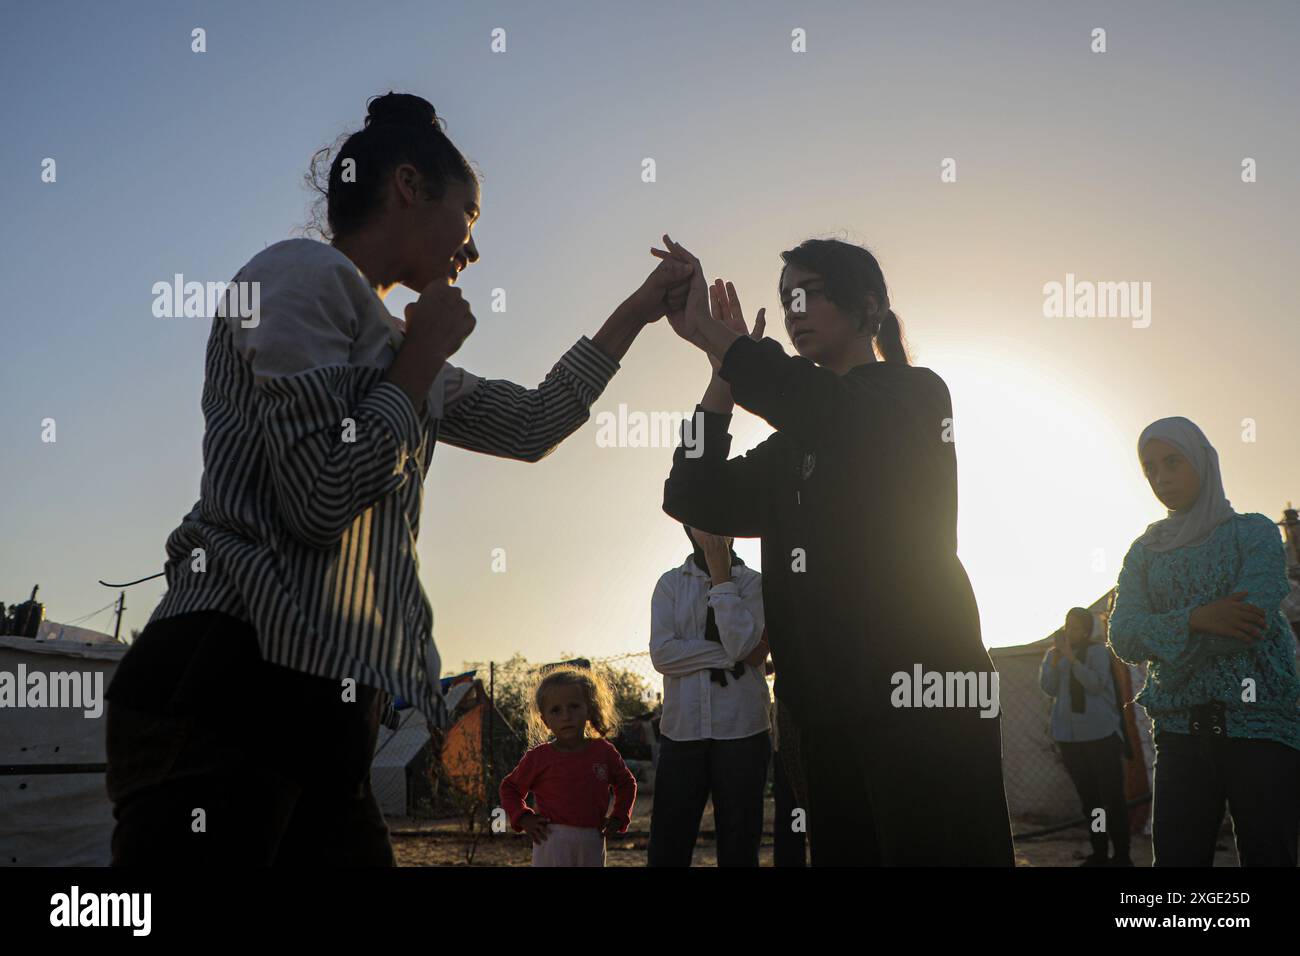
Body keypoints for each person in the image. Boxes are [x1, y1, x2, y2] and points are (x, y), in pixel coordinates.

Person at [103, 92, 691, 865]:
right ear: (409, 186)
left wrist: (639, 309)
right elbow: (317, 502)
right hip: (226, 684)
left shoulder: (391, 345)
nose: (472, 250)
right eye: (469, 218)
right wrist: (424, 358)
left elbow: (534, 421)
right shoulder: (299, 276)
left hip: (324, 706)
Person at [657, 235, 1014, 865]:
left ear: (868, 305)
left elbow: (821, 407)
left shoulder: (914, 397)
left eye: (811, 292)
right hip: (822, 712)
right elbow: (693, 492)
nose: (794, 309)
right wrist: (720, 374)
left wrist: (727, 343)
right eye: (786, 297)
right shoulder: (792, 448)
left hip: (922, 696)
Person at [1108, 417, 1300, 866]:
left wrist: (1169, 648)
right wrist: (1197, 618)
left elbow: (1246, 625)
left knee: (1268, 853)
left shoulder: (1252, 533)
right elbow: (1123, 635)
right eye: (1149, 467)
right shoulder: (1146, 551)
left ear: (1202, 460)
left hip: (1260, 729)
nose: (1161, 477)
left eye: (1172, 462)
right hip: (1179, 733)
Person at [647, 525, 770, 866]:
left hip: (743, 730)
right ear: (688, 528)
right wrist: (730, 655)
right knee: (669, 843)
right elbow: (663, 655)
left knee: (739, 842)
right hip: (682, 731)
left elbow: (745, 645)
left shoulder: (756, 584)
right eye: (701, 522)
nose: (711, 531)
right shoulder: (670, 584)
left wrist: (721, 578)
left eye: (720, 520)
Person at [499, 666, 637, 867]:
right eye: (556, 710)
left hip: (592, 840)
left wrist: (619, 816)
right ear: (545, 720)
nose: (566, 716)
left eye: (574, 706)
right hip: (551, 841)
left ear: (589, 709)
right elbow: (509, 788)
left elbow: (626, 784)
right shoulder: (539, 757)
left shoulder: (603, 752)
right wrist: (523, 818)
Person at [1039, 607, 1132, 865]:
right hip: (1070, 737)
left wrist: (1073, 660)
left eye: (1077, 627)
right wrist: (1057, 662)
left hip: (1099, 734)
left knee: (1112, 797)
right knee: (1091, 800)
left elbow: (1094, 684)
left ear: (1087, 629)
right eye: (1068, 626)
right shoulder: (1054, 655)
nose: (1071, 631)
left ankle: (1122, 855)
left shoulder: (1097, 652)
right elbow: (1048, 687)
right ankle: (1100, 852)